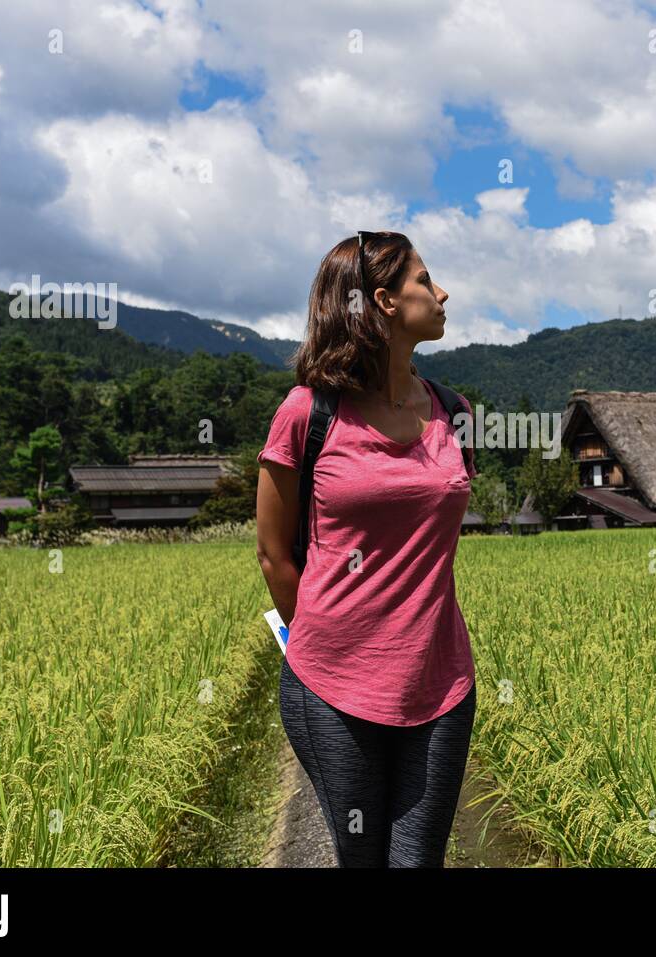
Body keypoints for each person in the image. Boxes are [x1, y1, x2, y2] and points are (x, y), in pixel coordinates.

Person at [255, 230, 478, 868]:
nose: (441, 294)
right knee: (363, 855)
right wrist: (332, 640)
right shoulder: (308, 413)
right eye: (424, 281)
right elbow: (274, 555)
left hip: (440, 682)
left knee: (417, 861)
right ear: (382, 300)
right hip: (331, 686)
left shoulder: (453, 413)